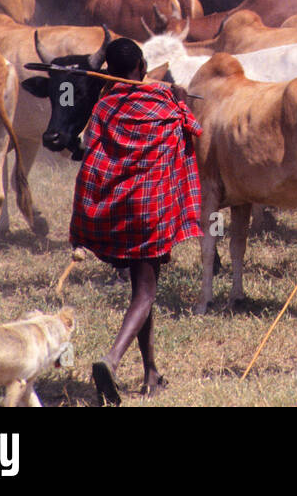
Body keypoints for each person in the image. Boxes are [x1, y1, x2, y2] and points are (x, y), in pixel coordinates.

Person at [71, 37, 202, 405]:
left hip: (116, 211)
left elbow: (89, 149)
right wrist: (180, 97)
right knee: (145, 293)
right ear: (142, 68)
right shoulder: (161, 100)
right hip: (150, 211)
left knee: (142, 291)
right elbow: (194, 128)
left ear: (109, 74)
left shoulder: (104, 106)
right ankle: (110, 360)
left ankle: (150, 371)